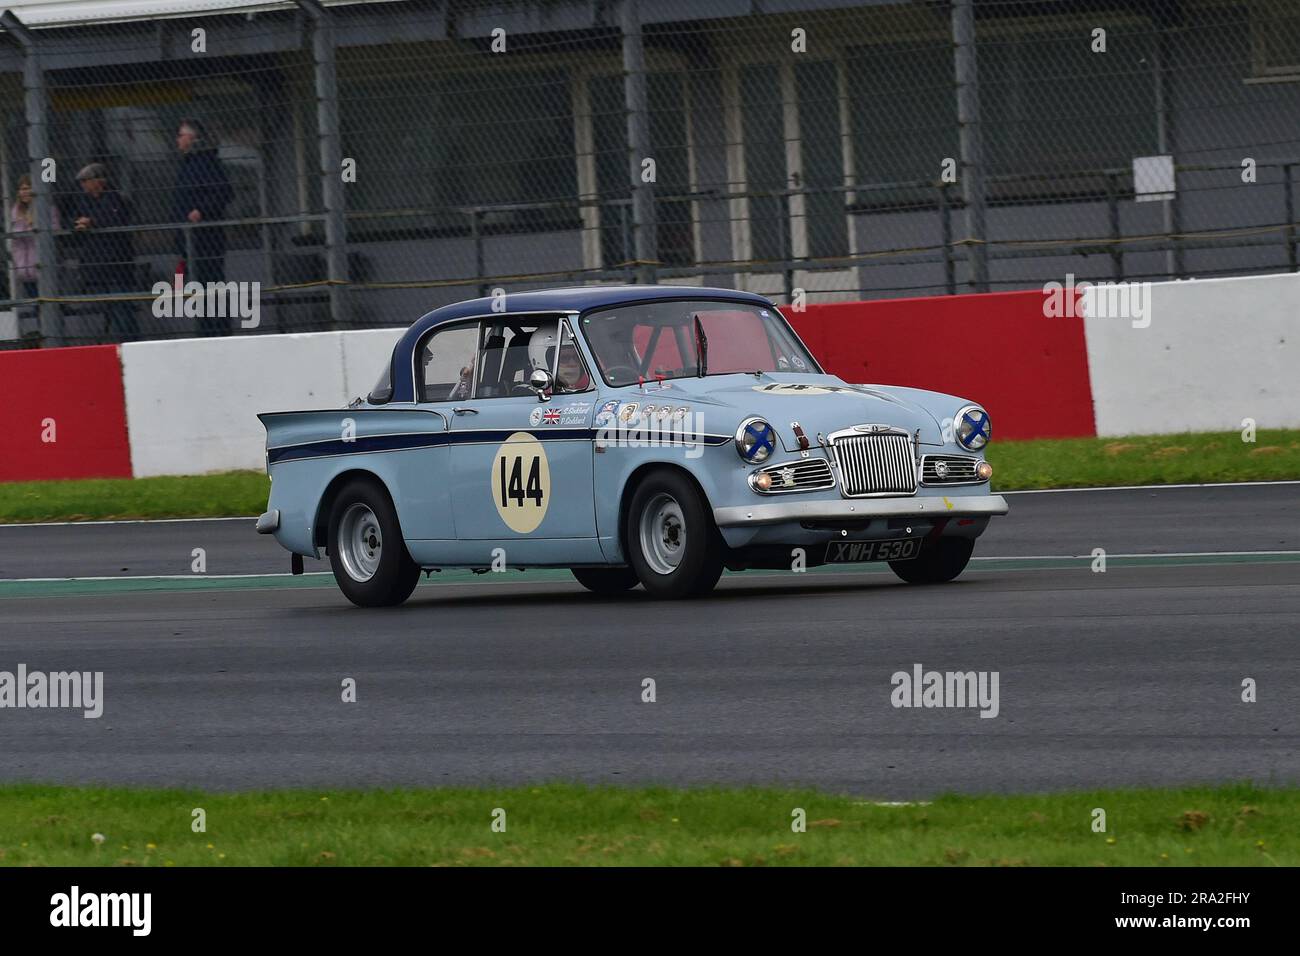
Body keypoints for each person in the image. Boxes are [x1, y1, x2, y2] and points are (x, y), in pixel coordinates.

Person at [171, 118, 234, 336]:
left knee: (211, 283)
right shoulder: (188, 164)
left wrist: (201, 211)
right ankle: (208, 329)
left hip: (206, 238)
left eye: (181, 135)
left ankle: (217, 330)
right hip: (190, 239)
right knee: (200, 286)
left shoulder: (205, 162)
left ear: (193, 138)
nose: (178, 140)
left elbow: (224, 192)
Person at [71, 163, 136, 342]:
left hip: (117, 265)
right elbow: (74, 223)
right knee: (108, 309)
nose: (83, 185)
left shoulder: (115, 199)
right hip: (96, 267)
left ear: (98, 181)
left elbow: (115, 221)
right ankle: (112, 343)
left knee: (122, 309)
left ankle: (130, 343)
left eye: (86, 181)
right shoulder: (85, 201)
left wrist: (92, 222)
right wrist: (78, 225)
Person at [9, 174, 60, 345]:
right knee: (36, 306)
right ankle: (40, 338)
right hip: (25, 269)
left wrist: (35, 225)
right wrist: (24, 225)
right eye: (22, 189)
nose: (25, 192)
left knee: (47, 307)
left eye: (28, 188)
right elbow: (15, 236)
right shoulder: (16, 211)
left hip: (42, 267)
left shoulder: (47, 208)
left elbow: (54, 230)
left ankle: (52, 339)